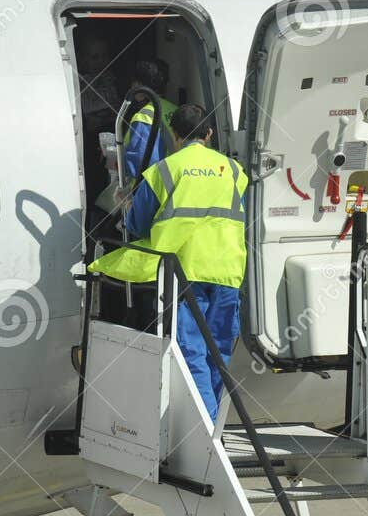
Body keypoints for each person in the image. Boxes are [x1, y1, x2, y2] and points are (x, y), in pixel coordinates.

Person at [89, 103, 249, 419]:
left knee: (192, 353)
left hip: (186, 273)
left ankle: (206, 430)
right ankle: (213, 425)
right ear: (209, 134)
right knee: (218, 353)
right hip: (228, 271)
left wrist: (128, 203)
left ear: (175, 135)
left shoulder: (164, 170)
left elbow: (137, 225)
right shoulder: (233, 170)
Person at [119, 58, 176, 185]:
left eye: (133, 83)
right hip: (176, 184)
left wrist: (117, 160)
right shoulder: (175, 109)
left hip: (155, 189)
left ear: (139, 86)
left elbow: (140, 164)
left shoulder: (144, 117)